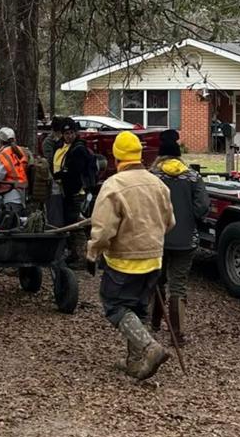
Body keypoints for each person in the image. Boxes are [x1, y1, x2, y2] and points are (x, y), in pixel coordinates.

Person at [87, 131, 175, 380]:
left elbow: (103, 230)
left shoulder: (113, 185)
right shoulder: (158, 184)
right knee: (137, 309)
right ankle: (135, 363)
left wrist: (92, 253)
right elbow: (170, 222)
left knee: (116, 306)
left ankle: (149, 348)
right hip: (154, 260)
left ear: (117, 157)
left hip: (124, 262)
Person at [149, 129, 209, 343]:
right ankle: (177, 333)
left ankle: (154, 322)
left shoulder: (153, 176)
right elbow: (203, 207)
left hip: (158, 238)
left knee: (156, 280)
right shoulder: (192, 176)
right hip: (186, 239)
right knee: (179, 284)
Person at [53, 117, 97, 267]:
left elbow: (74, 173)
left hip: (76, 192)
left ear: (76, 133)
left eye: (72, 132)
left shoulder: (78, 149)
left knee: (76, 225)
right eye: (66, 133)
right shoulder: (61, 147)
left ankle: (83, 257)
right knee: (69, 223)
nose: (69, 136)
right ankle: (73, 253)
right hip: (65, 191)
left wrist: (59, 175)